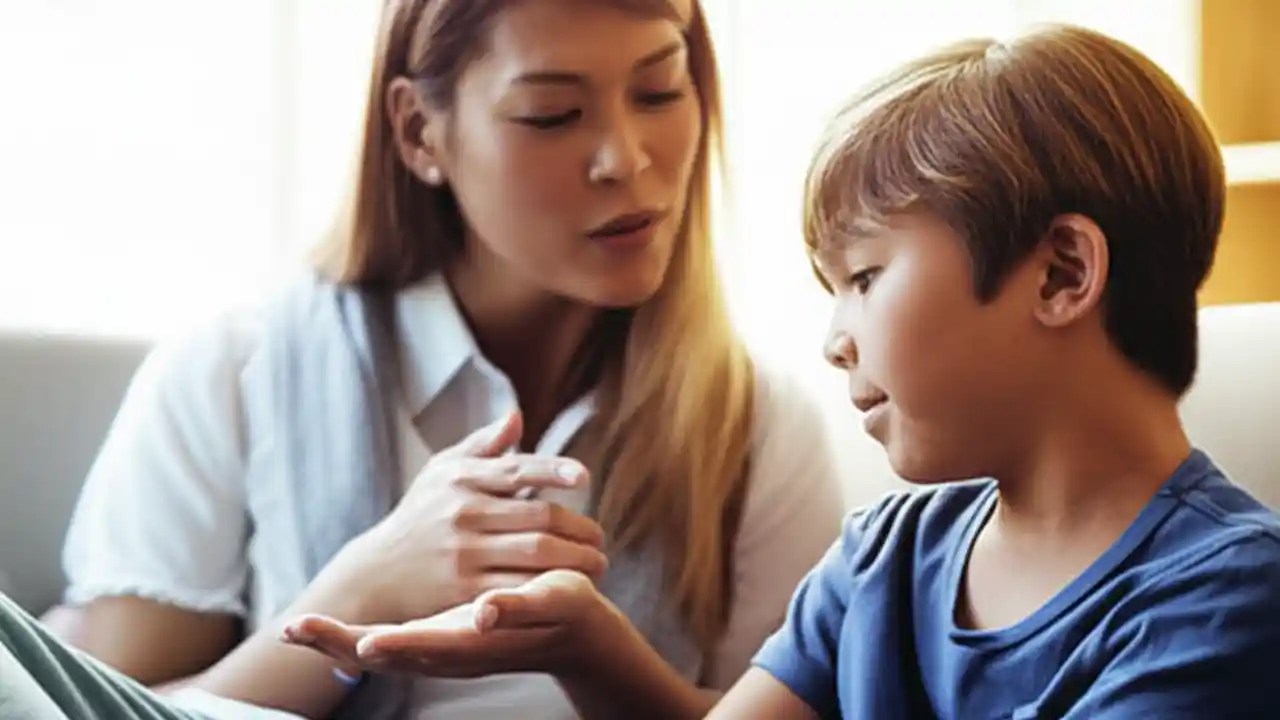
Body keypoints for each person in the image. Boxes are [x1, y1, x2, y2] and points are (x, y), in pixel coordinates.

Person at [284, 23, 1280, 720]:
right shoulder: (882, 558)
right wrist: (585, 643)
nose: (834, 339)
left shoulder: (1225, 597)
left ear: (1059, 273)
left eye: (862, 277)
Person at [41, 0, 846, 717]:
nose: (625, 159)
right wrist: (362, 590)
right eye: (552, 114)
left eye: (660, 91)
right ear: (419, 132)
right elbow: (89, 709)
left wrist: (598, 657)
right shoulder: (236, 371)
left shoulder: (760, 425)